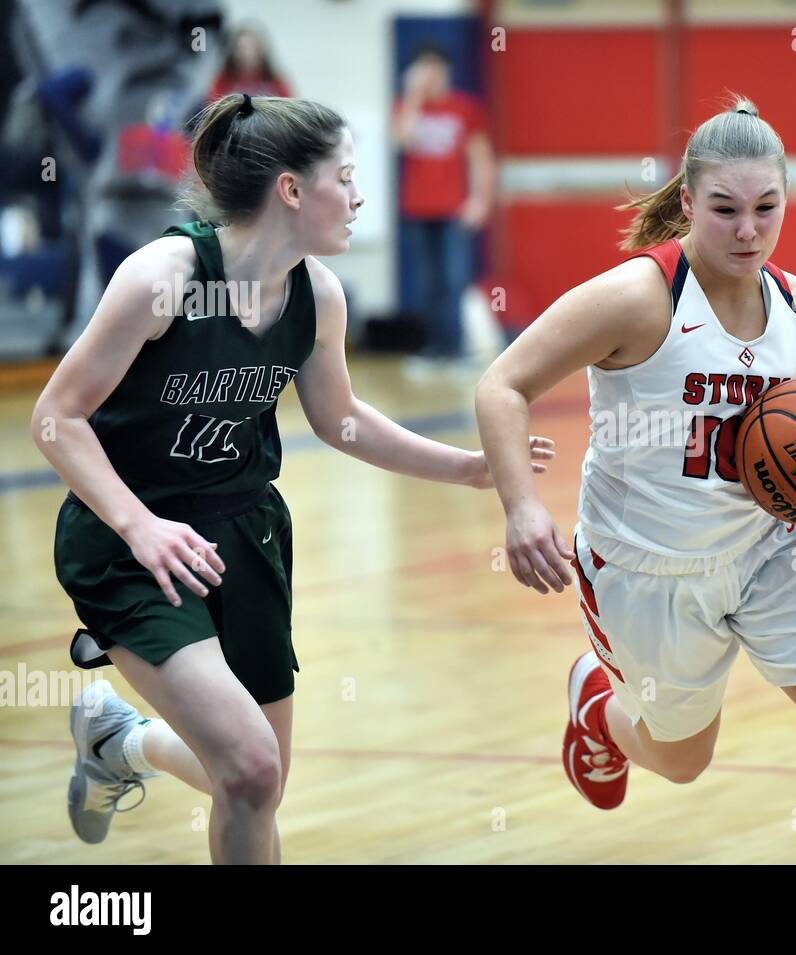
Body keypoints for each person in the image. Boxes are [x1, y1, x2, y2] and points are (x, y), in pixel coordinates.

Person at [32, 93, 552, 864]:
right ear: (291, 190)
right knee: (249, 767)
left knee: (255, 783)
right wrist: (140, 526)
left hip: (245, 535)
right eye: (345, 176)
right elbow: (56, 417)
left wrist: (472, 468)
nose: (360, 194)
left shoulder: (321, 296)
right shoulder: (165, 276)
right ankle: (122, 737)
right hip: (132, 543)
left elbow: (341, 420)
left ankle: (121, 742)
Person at [475, 97, 796, 864]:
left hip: (776, 547)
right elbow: (501, 385)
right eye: (725, 210)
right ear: (687, 203)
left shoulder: (794, 301)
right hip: (650, 566)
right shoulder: (637, 299)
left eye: (766, 208)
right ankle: (597, 707)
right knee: (682, 759)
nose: (748, 230)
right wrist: (521, 508)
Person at [392, 44, 494, 367]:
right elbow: (401, 140)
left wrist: (480, 200)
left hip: (453, 209)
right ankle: (434, 348)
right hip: (417, 209)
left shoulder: (465, 108)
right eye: (424, 68)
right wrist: (413, 97)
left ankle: (456, 347)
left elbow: (480, 156)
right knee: (426, 281)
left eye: (436, 68)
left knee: (453, 278)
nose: (431, 76)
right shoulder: (405, 106)